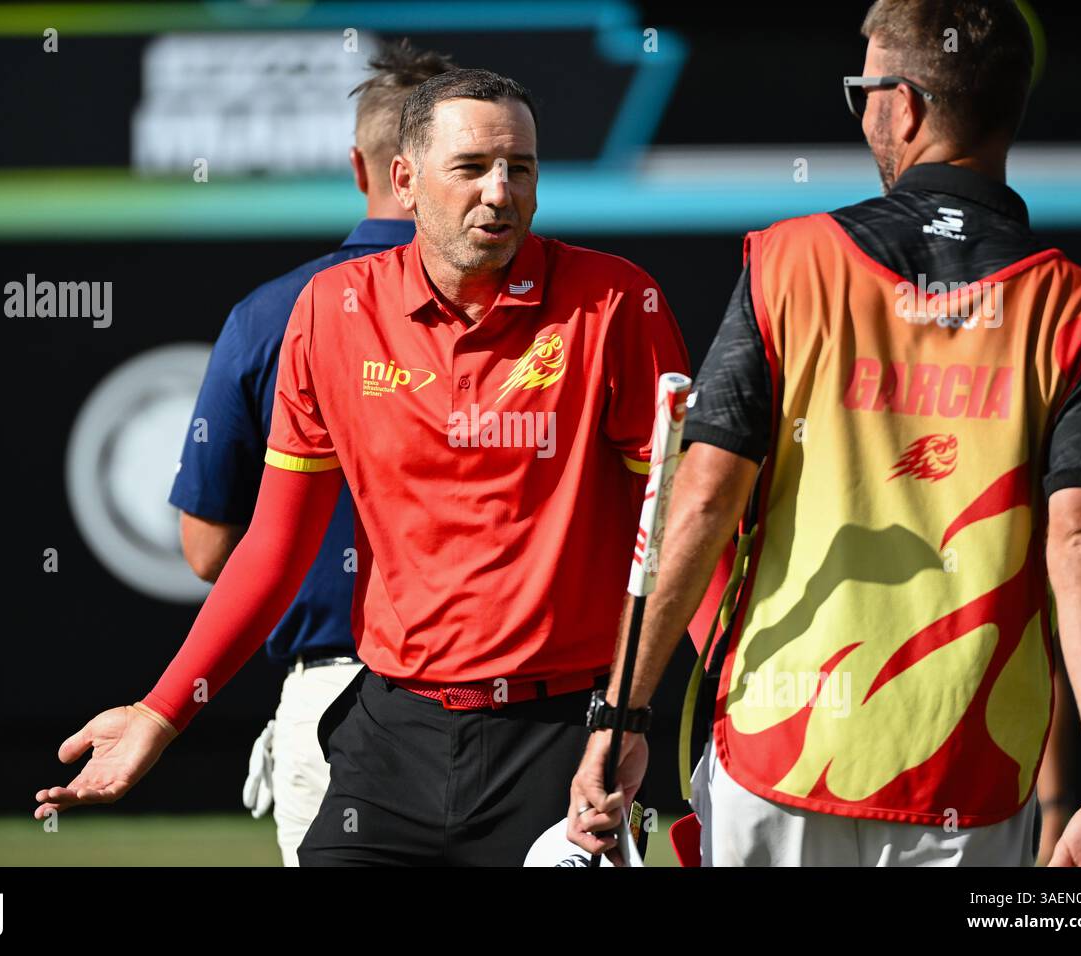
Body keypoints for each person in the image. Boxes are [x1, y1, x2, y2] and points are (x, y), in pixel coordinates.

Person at [34, 68, 689, 866]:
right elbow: (274, 548)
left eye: (520, 168)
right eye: (473, 166)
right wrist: (161, 713)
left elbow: (680, 533)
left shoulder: (617, 302)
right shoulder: (330, 311)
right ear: (404, 181)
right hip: (389, 738)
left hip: (562, 743)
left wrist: (649, 715)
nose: (501, 191)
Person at [568, 0, 1081, 867]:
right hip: (972, 775)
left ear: (902, 106)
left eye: (863, 89)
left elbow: (702, 499)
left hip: (778, 752)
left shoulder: (789, 263)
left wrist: (622, 715)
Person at [169, 39, 457, 867]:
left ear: (359, 166)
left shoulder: (268, 315)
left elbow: (205, 548)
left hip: (330, 687)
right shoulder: (543, 314)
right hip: (509, 697)